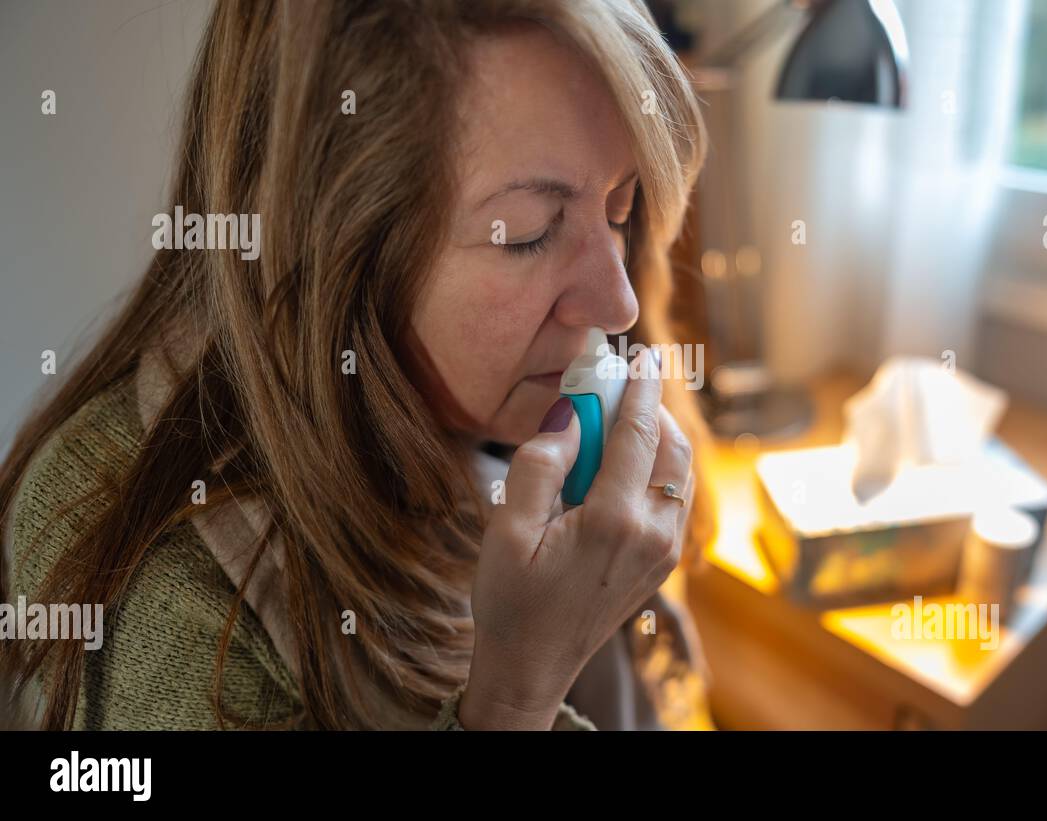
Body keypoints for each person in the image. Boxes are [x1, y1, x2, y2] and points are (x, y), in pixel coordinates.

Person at [0, 0, 714, 731]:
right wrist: (513, 698)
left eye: (621, 207)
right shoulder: (138, 570)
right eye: (527, 234)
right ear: (333, 246)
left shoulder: (509, 428)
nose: (617, 302)